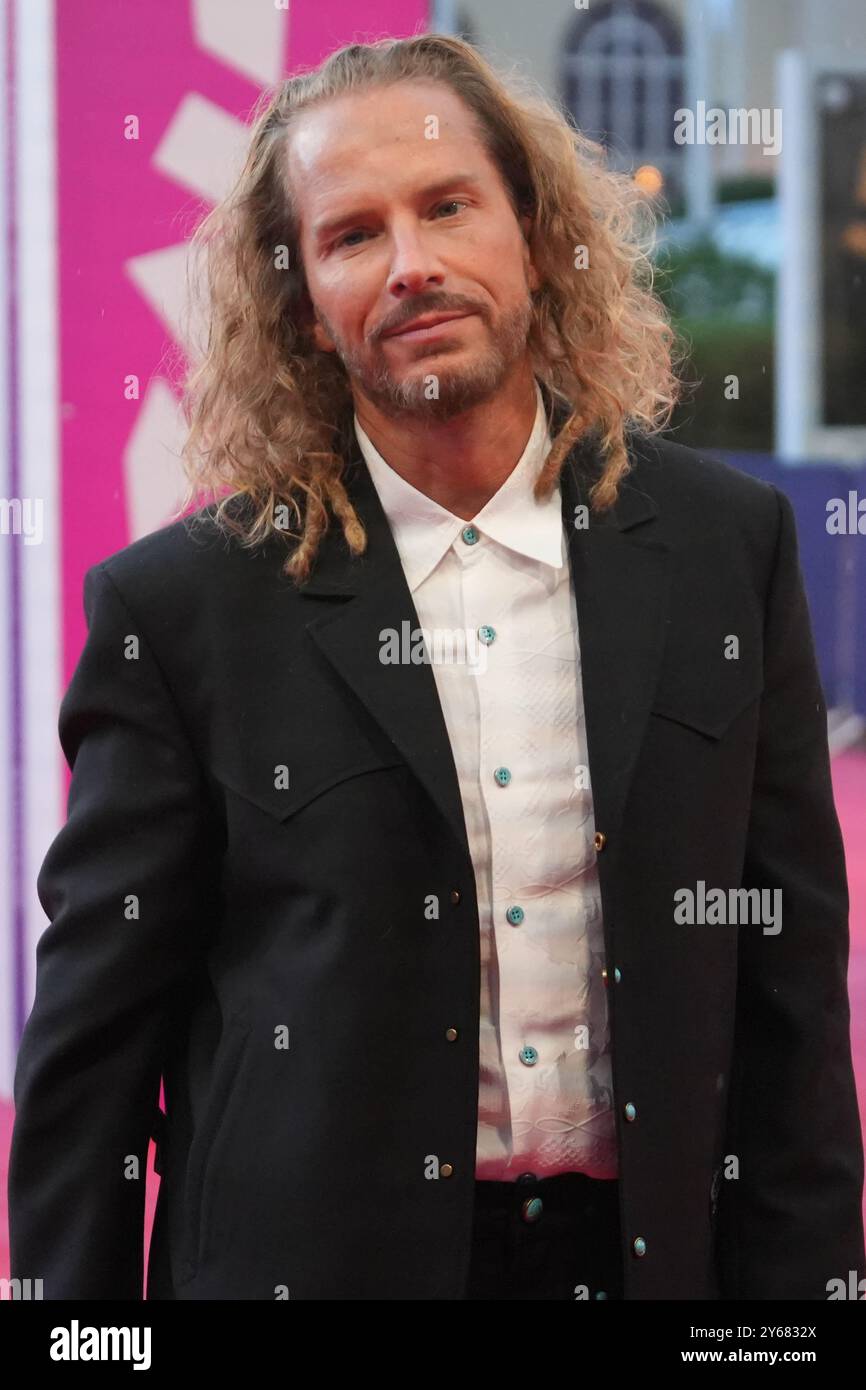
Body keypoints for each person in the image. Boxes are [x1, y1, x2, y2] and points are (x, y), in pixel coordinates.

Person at [8, 33, 864, 1301]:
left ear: (530, 230)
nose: (411, 264)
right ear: (301, 299)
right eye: (352, 235)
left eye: (446, 206)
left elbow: (787, 992)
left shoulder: (718, 551)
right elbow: (91, 1054)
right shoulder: (182, 609)